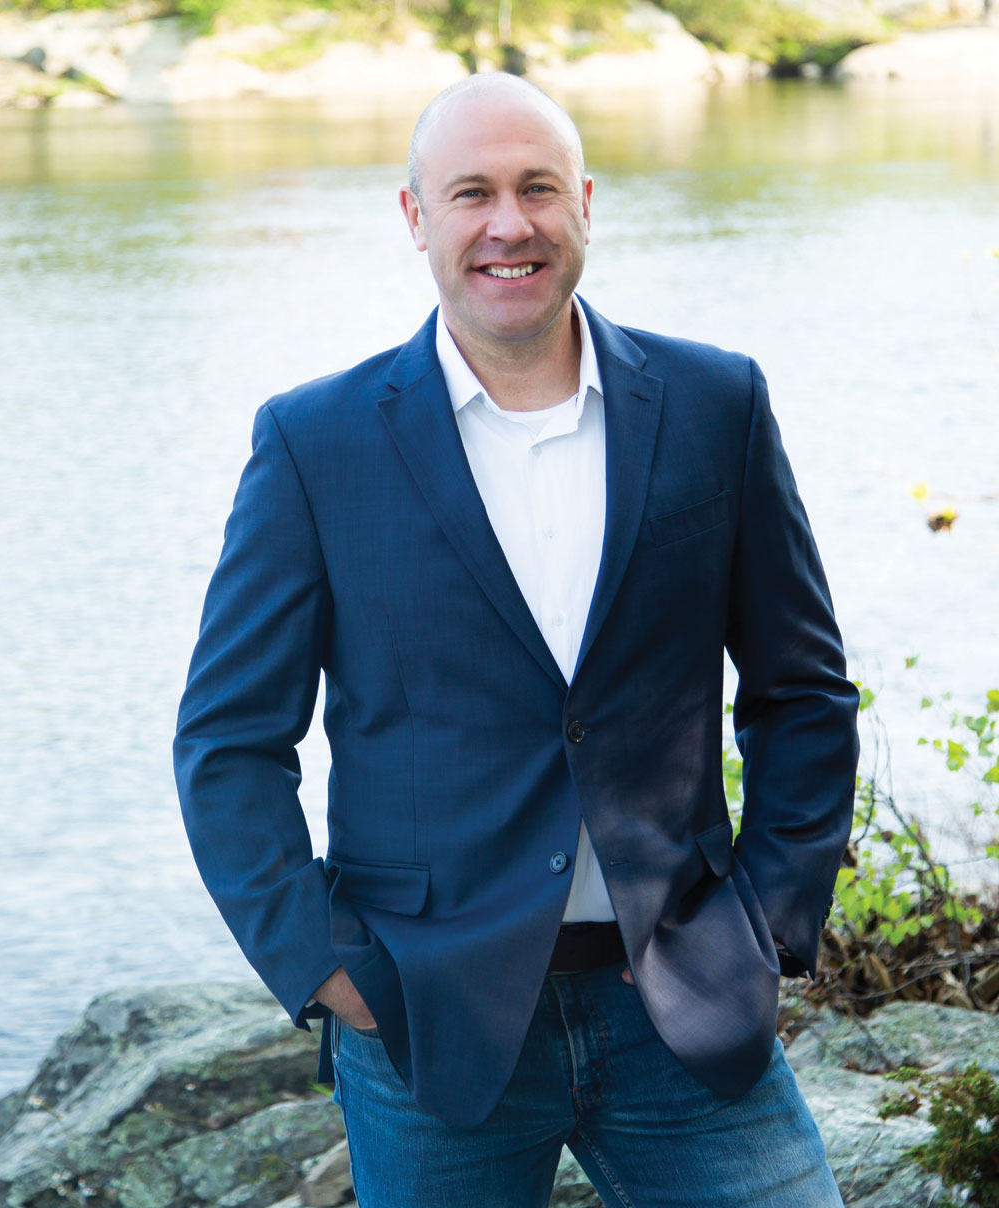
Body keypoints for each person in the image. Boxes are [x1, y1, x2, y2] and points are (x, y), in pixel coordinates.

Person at [174, 73, 859, 1207]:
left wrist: (770, 919)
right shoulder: (314, 442)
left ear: (585, 203)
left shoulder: (715, 404)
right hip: (425, 1021)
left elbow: (802, 690)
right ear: (416, 218)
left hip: (682, 999)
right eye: (471, 194)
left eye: (538, 188)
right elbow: (228, 741)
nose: (509, 224)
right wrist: (321, 964)